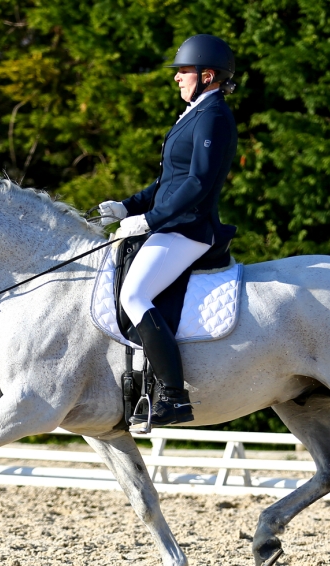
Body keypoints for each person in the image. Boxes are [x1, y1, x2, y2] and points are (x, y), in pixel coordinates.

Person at [97, 35, 239, 426]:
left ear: (206, 75)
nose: (176, 78)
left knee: (135, 294)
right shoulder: (195, 112)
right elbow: (169, 181)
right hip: (170, 224)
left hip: (188, 229)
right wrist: (127, 206)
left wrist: (151, 221)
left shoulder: (213, 116)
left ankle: (174, 396)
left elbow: (198, 183)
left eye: (183, 71)